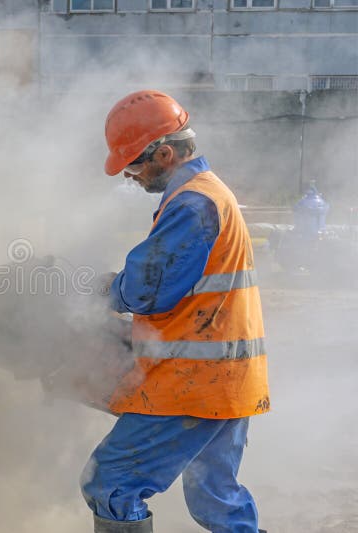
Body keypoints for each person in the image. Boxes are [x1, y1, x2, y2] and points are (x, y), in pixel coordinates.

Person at [80, 90, 270, 533]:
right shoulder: (207, 193)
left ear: (164, 153)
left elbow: (150, 290)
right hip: (228, 380)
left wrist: (106, 291)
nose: (129, 175)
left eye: (134, 164)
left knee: (111, 483)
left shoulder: (192, 203)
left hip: (193, 383)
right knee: (215, 499)